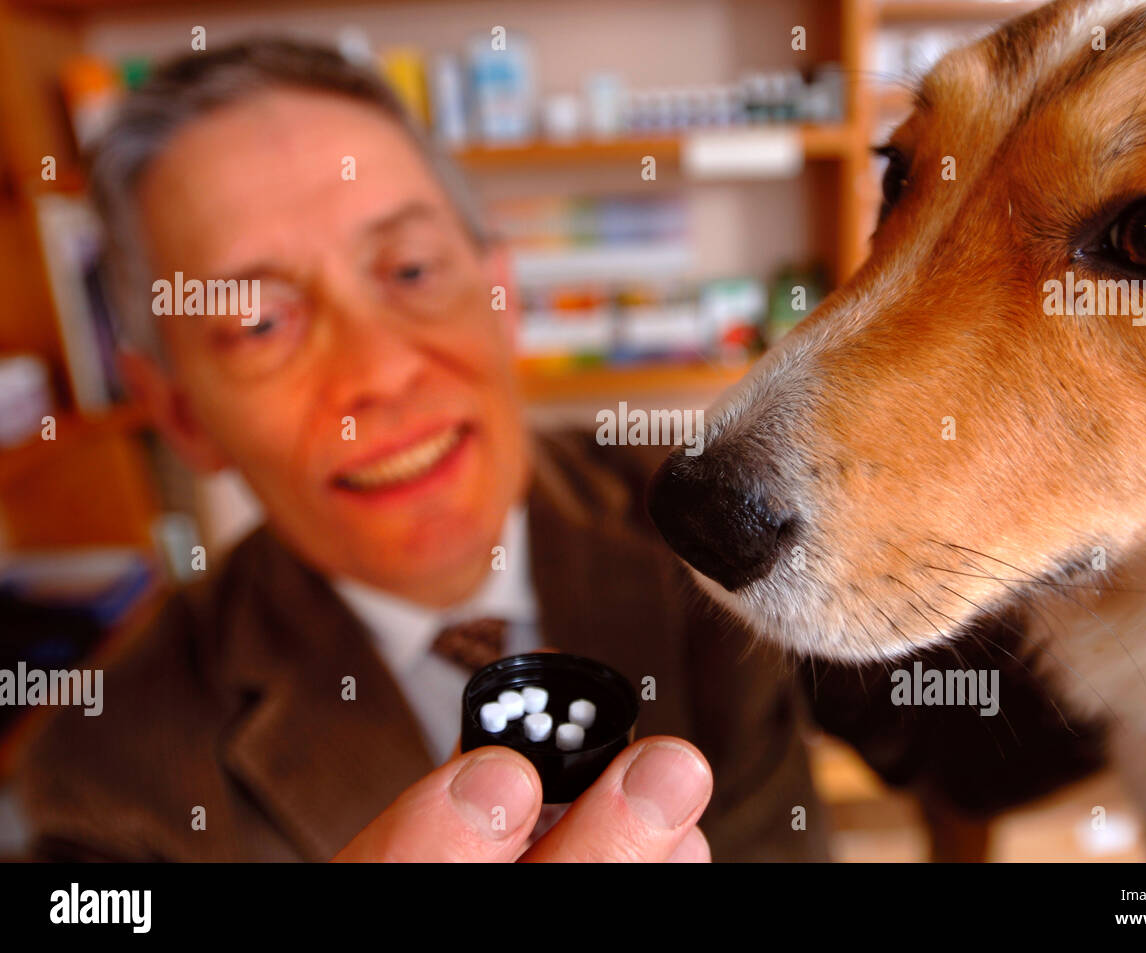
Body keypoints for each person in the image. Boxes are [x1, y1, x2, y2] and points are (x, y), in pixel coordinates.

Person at [16, 38, 830, 862]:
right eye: (259, 323)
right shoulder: (106, 766)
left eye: (409, 271)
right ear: (180, 414)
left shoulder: (715, 515)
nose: (380, 370)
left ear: (501, 297)